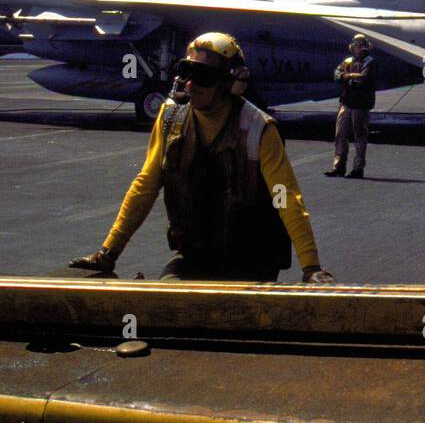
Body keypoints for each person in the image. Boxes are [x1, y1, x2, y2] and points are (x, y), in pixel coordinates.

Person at [69, 32, 332, 283]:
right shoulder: (170, 119)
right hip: (195, 253)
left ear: (230, 83)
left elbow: (286, 197)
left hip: (252, 258)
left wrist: (311, 267)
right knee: (166, 302)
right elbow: (146, 185)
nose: (191, 84)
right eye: (187, 73)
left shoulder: (258, 128)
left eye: (203, 76)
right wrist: (108, 254)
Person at [325, 33, 377, 179]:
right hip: (346, 102)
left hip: (360, 104)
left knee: (359, 136)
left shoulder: (370, 62)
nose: (360, 48)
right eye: (358, 45)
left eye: (362, 44)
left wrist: (347, 77)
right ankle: (338, 167)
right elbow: (337, 75)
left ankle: (358, 169)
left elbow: (363, 80)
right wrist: (350, 77)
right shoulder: (348, 61)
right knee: (340, 135)